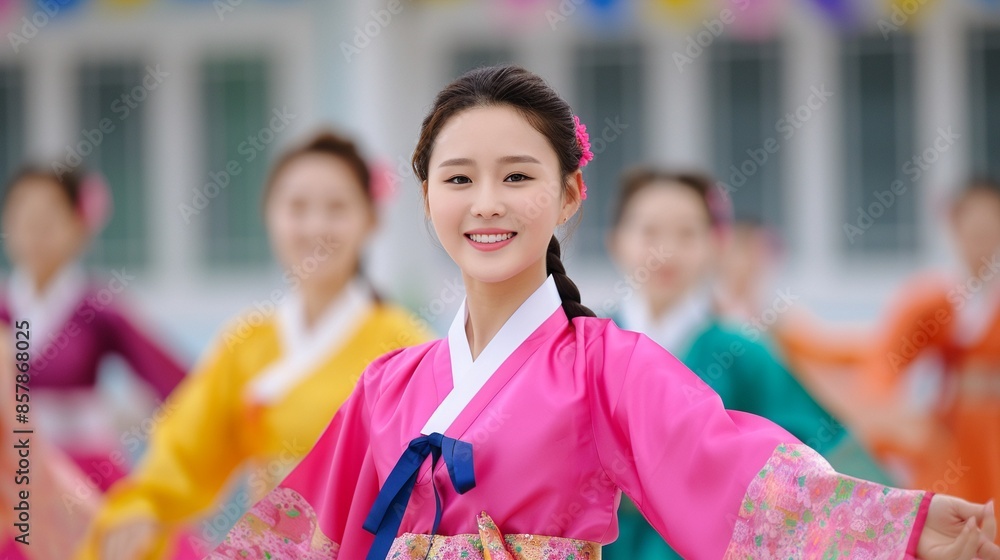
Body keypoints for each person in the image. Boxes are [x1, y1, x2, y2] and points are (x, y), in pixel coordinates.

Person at [207, 65, 998, 560]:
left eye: (517, 177)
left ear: (569, 195)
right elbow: (297, 536)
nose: (486, 204)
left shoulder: (607, 365)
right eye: (458, 180)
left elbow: (732, 473)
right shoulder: (388, 384)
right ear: (424, 199)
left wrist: (906, 527)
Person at [77, 131, 432, 559]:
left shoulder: (405, 344)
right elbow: (185, 449)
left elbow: (431, 475)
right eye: (297, 207)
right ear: (270, 215)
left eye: (337, 208)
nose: (315, 226)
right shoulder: (246, 343)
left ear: (370, 219)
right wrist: (144, 507)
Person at [602, 169, 890, 560]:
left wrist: (899, 522)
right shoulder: (585, 346)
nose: (666, 250)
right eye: (650, 232)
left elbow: (822, 446)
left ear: (715, 245)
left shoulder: (742, 353)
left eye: (686, 234)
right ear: (616, 240)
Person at [0, 168, 187, 559]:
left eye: (48, 218)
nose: (34, 230)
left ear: (76, 226)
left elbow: (175, 384)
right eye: (22, 217)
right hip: (12, 478)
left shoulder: (97, 308)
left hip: (88, 470)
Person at [862, 177, 1000, 507]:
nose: (982, 237)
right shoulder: (934, 299)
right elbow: (887, 357)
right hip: (953, 428)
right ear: (955, 228)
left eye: (990, 225)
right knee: (953, 515)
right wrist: (892, 411)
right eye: (973, 226)